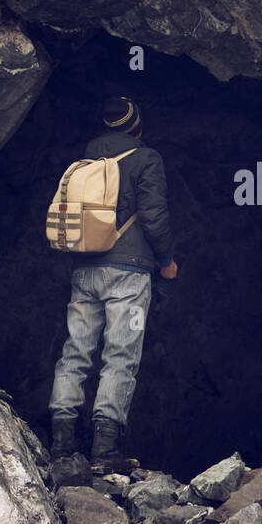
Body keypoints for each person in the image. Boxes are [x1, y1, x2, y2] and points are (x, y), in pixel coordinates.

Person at [49, 96, 178, 480]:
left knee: (75, 353)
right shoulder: (146, 158)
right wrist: (167, 261)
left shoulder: (86, 162)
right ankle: (105, 450)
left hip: (85, 270)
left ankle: (61, 444)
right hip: (130, 272)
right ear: (137, 127)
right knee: (120, 355)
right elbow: (154, 217)